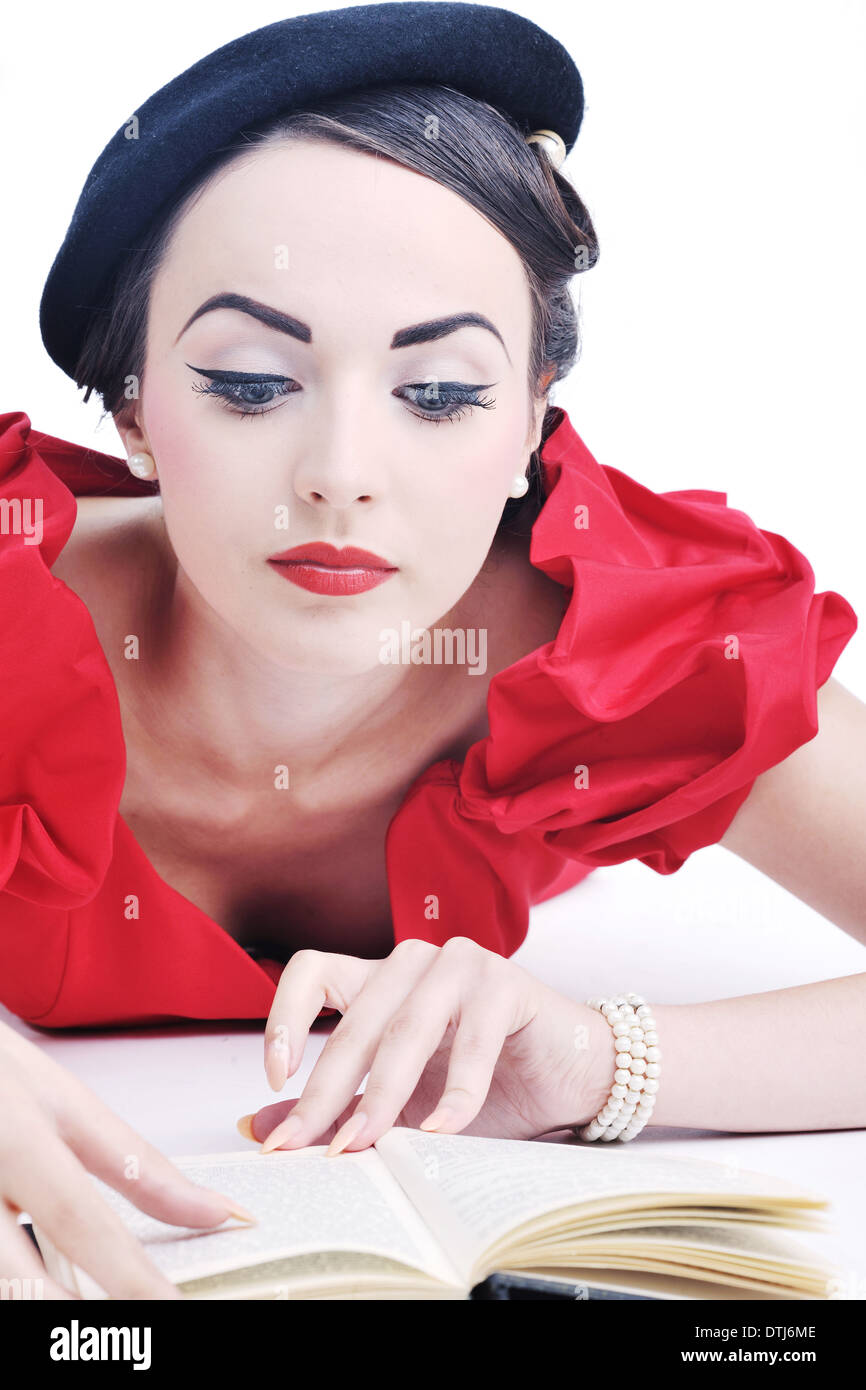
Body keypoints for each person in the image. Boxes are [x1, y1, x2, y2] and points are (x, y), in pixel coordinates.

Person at [1, 4, 863, 1299]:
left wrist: (598, 1061)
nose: (339, 477)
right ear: (131, 407)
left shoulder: (638, 648)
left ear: (530, 419)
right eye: (247, 382)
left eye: (440, 393)